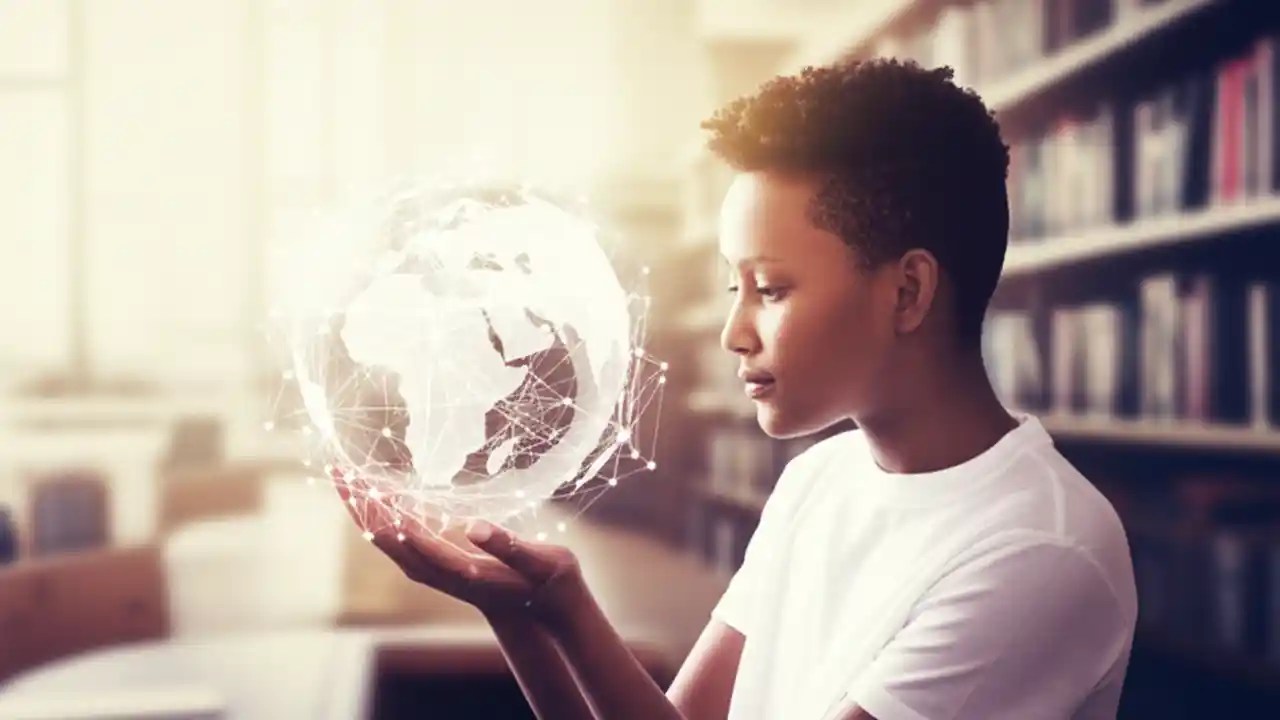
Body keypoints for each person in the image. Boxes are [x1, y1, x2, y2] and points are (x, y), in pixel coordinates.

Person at [339, 58, 1138, 719]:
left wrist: (558, 615)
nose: (733, 332)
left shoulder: (1038, 551)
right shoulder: (819, 478)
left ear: (907, 293)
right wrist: (535, 612)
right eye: (734, 287)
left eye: (772, 288)